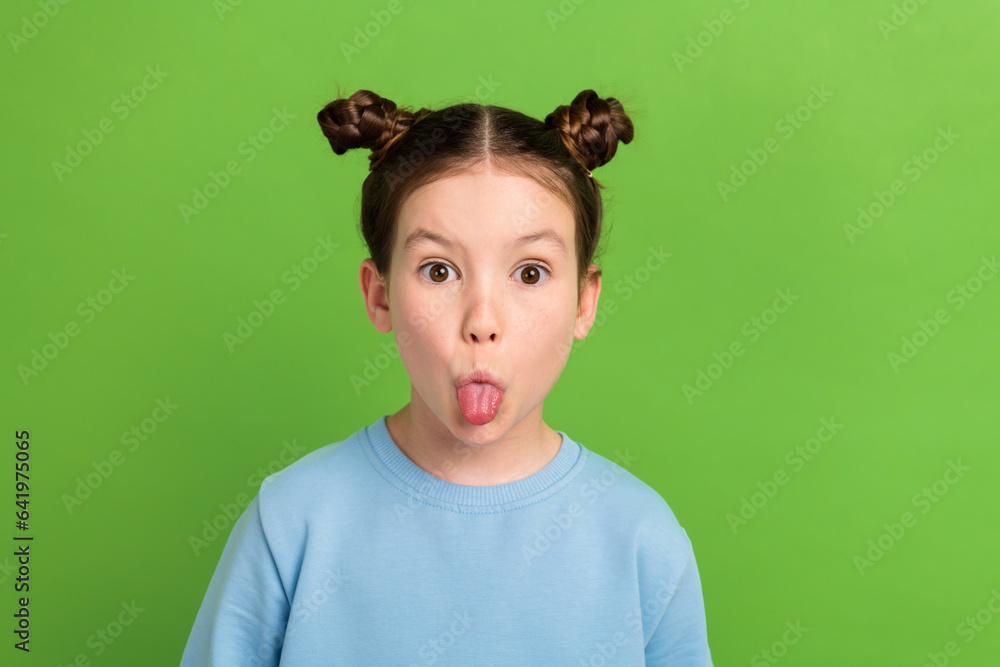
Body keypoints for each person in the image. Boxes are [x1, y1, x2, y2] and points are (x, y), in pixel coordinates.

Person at [180, 88, 713, 666]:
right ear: (380, 297)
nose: (482, 321)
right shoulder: (292, 524)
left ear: (584, 304)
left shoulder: (642, 541)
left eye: (530, 273)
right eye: (439, 271)